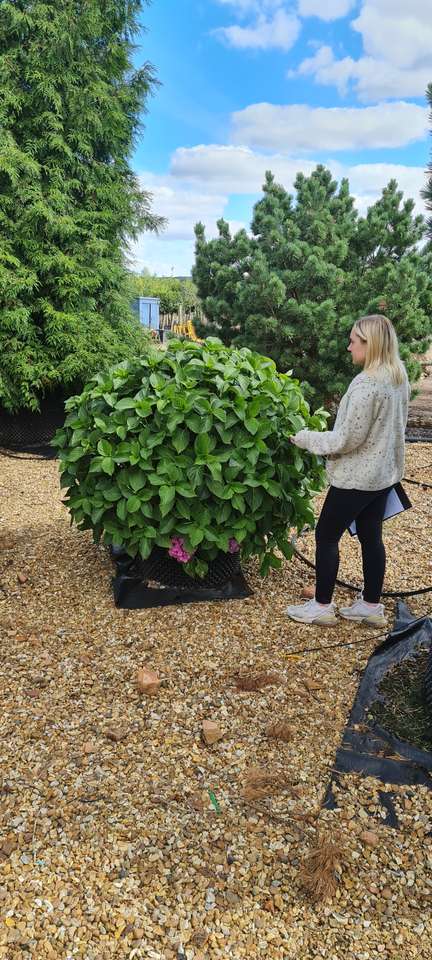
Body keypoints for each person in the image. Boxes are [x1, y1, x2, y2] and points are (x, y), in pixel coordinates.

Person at [285, 314, 410, 627]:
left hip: (358, 478)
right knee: (371, 537)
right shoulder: (397, 376)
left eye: (354, 341)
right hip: (384, 476)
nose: (348, 346)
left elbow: (345, 440)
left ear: (371, 344)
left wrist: (304, 438)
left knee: (326, 535)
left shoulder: (367, 385)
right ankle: (370, 606)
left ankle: (321, 606)